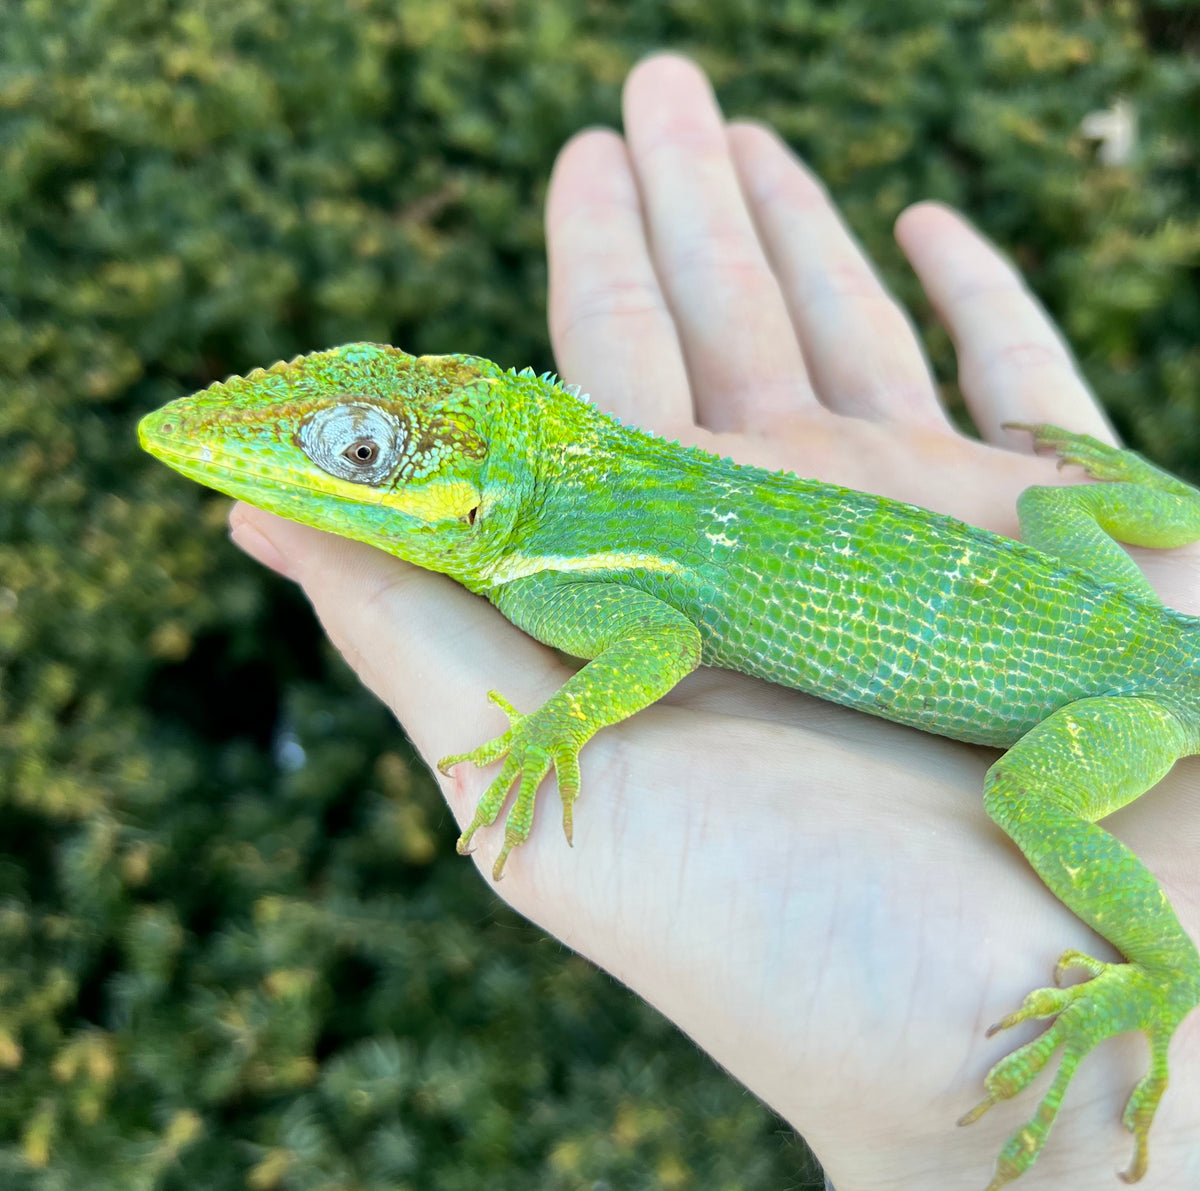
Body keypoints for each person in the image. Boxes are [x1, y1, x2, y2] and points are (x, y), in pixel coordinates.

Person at [226, 53, 1200, 1190]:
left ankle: (1171, 970)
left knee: (1026, 793)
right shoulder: (563, 533)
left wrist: (554, 728)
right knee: (1046, 505)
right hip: (1115, 617)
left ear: (477, 494)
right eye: (362, 448)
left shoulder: (548, 578)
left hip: (1137, 690)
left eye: (360, 454)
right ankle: (1171, 503)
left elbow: (665, 645)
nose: (348, 469)